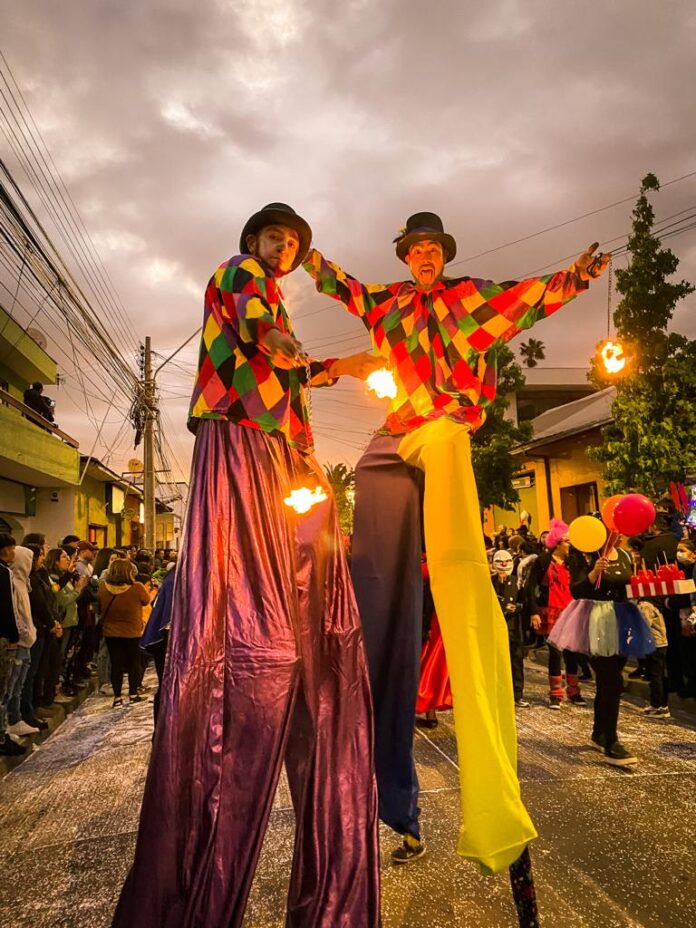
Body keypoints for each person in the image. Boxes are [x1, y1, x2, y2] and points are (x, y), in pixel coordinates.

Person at [304, 210, 608, 874]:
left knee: (460, 573)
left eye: (433, 249)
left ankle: (492, 798)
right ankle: (392, 801)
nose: (425, 257)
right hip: (394, 437)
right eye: (415, 249)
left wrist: (577, 277)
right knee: (380, 603)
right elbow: (343, 287)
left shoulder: (468, 299)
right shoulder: (387, 303)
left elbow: (527, 300)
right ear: (405, 256)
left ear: (442, 256)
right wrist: (307, 256)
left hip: (443, 430)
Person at [112, 204, 381, 928]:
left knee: (302, 590)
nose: (285, 247)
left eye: (293, 241)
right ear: (254, 240)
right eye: (276, 236)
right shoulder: (240, 275)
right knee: (251, 618)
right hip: (239, 437)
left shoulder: (270, 300)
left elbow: (286, 365)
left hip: (276, 446)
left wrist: (345, 367)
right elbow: (266, 337)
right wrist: (294, 347)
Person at [549, 542, 655, 767]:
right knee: (612, 681)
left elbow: (627, 586)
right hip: (595, 620)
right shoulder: (584, 554)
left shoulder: (624, 554)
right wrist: (594, 572)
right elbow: (576, 590)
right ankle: (611, 742)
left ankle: (600, 734)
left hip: (622, 619)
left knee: (608, 681)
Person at [528, 519, 586, 709]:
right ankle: (555, 693)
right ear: (558, 543)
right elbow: (530, 586)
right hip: (550, 610)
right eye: (568, 541)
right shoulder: (543, 560)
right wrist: (534, 612)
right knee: (555, 652)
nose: (570, 545)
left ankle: (573, 690)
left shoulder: (573, 561)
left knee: (571, 652)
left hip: (570, 610)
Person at [97, 558, 150, 708]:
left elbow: (99, 605)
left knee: (116, 664)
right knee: (134, 663)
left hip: (111, 632)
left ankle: (117, 697)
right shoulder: (137, 587)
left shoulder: (103, 588)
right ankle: (133, 694)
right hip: (132, 631)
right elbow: (146, 601)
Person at [4, 546, 39, 740]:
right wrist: (24, 633)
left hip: (26, 639)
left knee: (19, 682)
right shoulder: (13, 583)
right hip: (19, 640)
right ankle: (11, 721)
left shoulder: (23, 582)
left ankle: (15, 719)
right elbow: (17, 614)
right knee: (12, 684)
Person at [492, 550, 529, 707]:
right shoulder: (489, 581)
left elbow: (525, 601)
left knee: (516, 660)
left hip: (513, 626)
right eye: (500, 561)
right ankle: (497, 691)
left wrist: (517, 607)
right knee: (496, 660)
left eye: (507, 561)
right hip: (494, 626)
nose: (503, 564)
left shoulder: (517, 581)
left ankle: (517, 694)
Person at [0, 533, 25, 757]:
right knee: (4, 687)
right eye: (11, 548)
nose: (14, 552)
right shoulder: (4, 572)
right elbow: (8, 607)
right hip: (2, 636)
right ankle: (1, 737)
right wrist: (13, 635)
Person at [637, 599, 669, 717]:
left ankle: (658, 705)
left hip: (655, 644)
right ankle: (658, 704)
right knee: (657, 675)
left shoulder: (646, 605)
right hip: (658, 643)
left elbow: (644, 625)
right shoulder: (652, 604)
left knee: (655, 676)